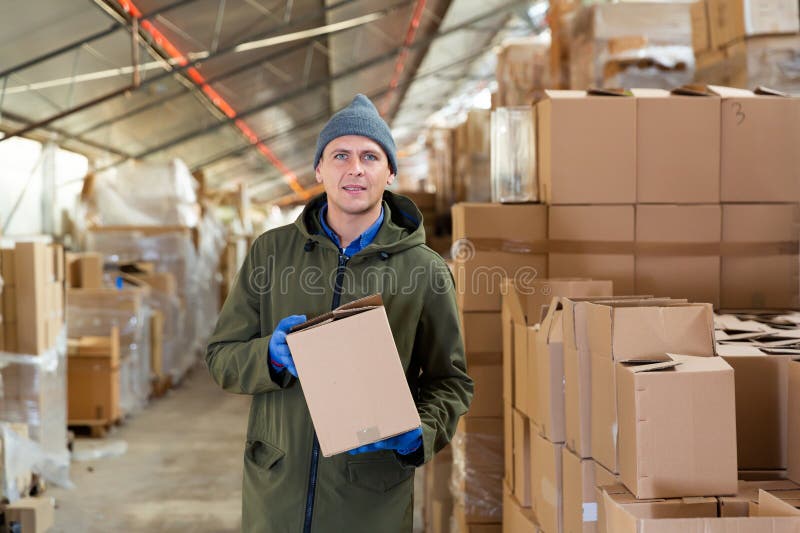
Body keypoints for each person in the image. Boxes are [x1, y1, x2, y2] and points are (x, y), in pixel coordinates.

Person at [205, 93, 473, 533]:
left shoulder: (424, 270)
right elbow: (221, 357)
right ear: (319, 169)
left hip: (367, 501)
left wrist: (420, 432)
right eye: (340, 155)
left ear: (389, 173)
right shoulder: (271, 253)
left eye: (370, 156)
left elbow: (451, 380)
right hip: (277, 494)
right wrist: (267, 358)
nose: (355, 168)